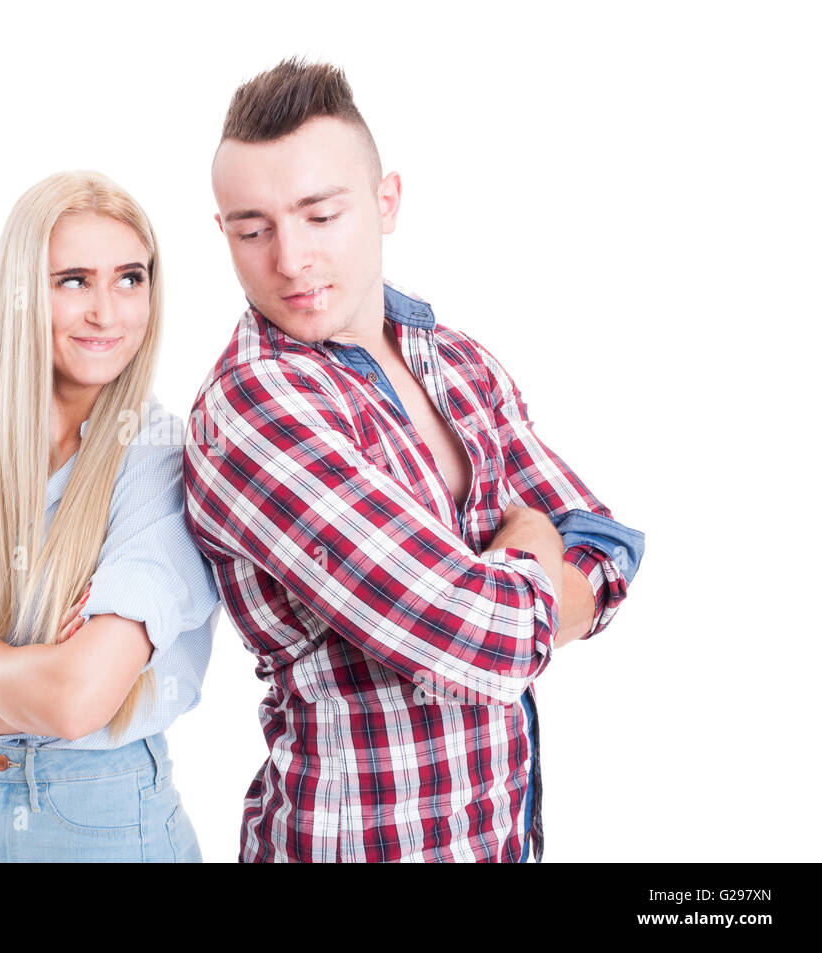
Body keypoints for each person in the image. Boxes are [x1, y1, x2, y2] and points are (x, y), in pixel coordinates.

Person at [182, 57, 646, 862]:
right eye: (253, 229)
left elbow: (604, 545)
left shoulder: (459, 360)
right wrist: (533, 547)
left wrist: (521, 592)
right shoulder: (253, 408)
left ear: (386, 201)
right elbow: (478, 636)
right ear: (222, 231)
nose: (289, 258)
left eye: (320, 215)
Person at [0, 170, 220, 863]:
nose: (109, 310)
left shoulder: (156, 458)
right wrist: (33, 679)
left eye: (131, 277)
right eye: (73, 280)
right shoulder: (3, 459)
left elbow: (75, 701)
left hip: (111, 823)